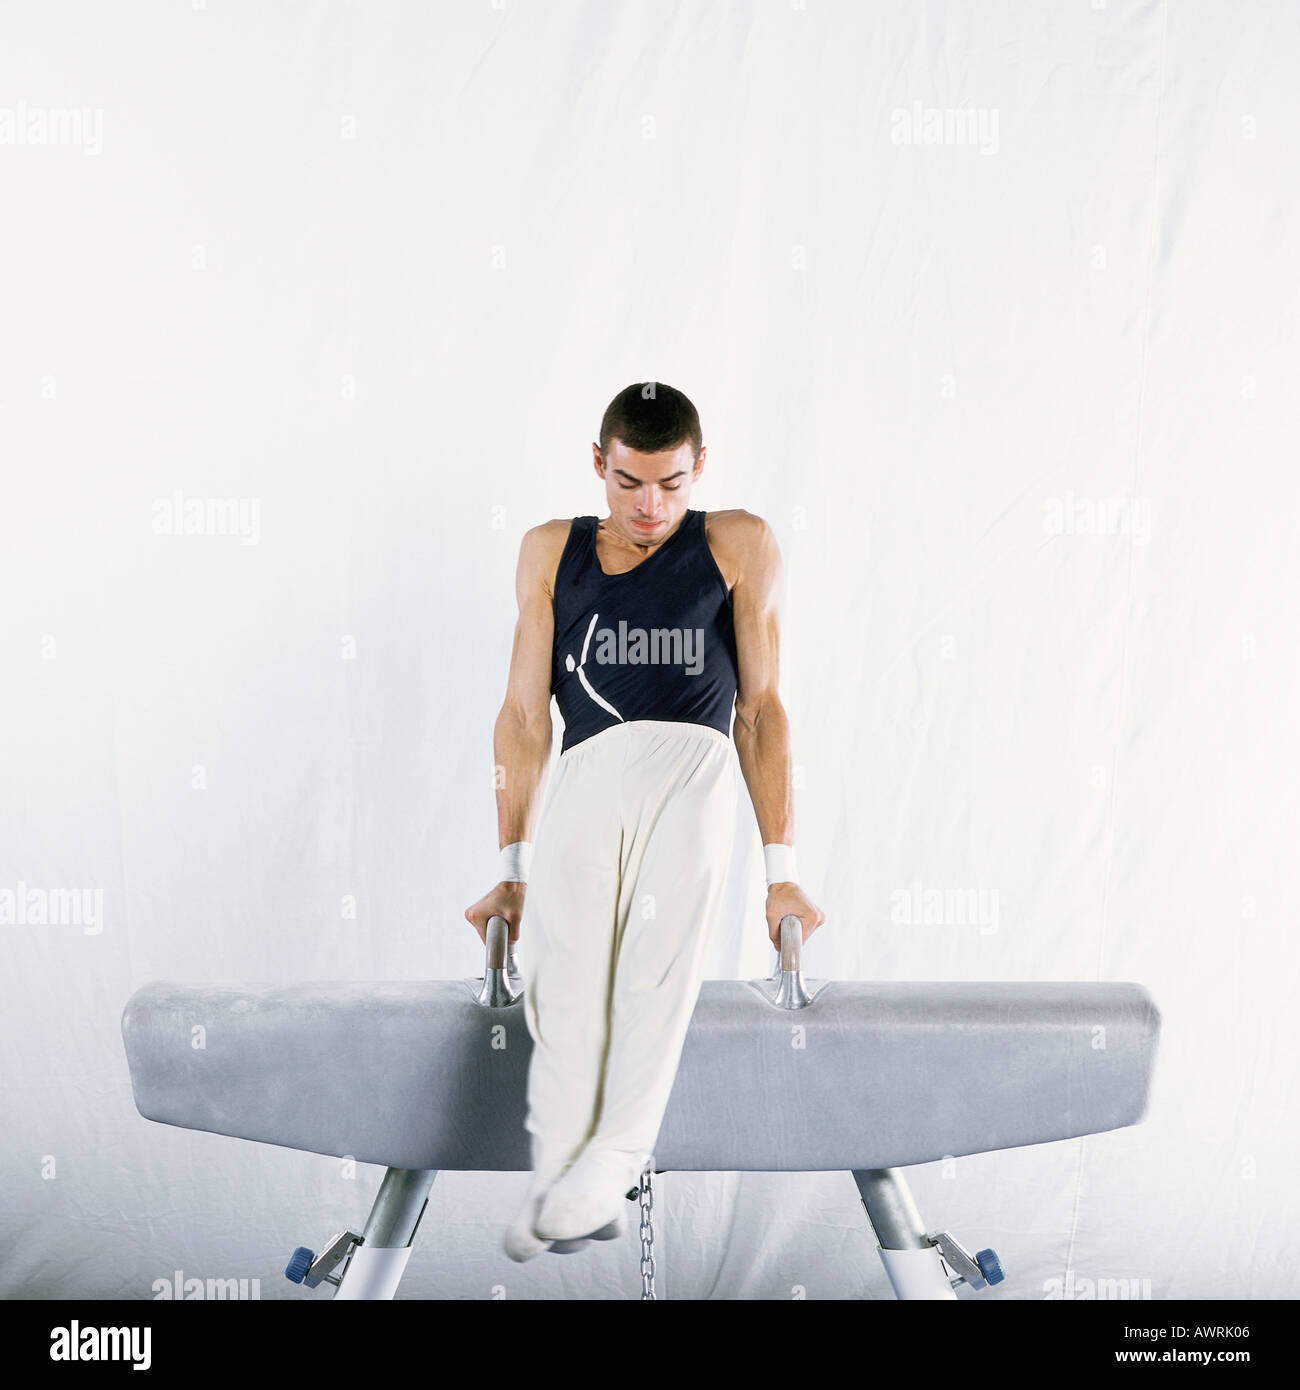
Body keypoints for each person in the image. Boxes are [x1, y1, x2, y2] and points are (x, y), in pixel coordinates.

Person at [464, 381, 825, 1262]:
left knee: (657, 976)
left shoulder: (738, 544)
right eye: (629, 484)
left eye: (671, 483)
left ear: (699, 468)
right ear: (599, 464)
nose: (651, 506)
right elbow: (522, 718)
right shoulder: (551, 552)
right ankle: (566, 1165)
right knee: (567, 981)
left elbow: (762, 710)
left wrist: (781, 868)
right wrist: (512, 868)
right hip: (588, 774)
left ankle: (607, 1169)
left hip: (691, 772)